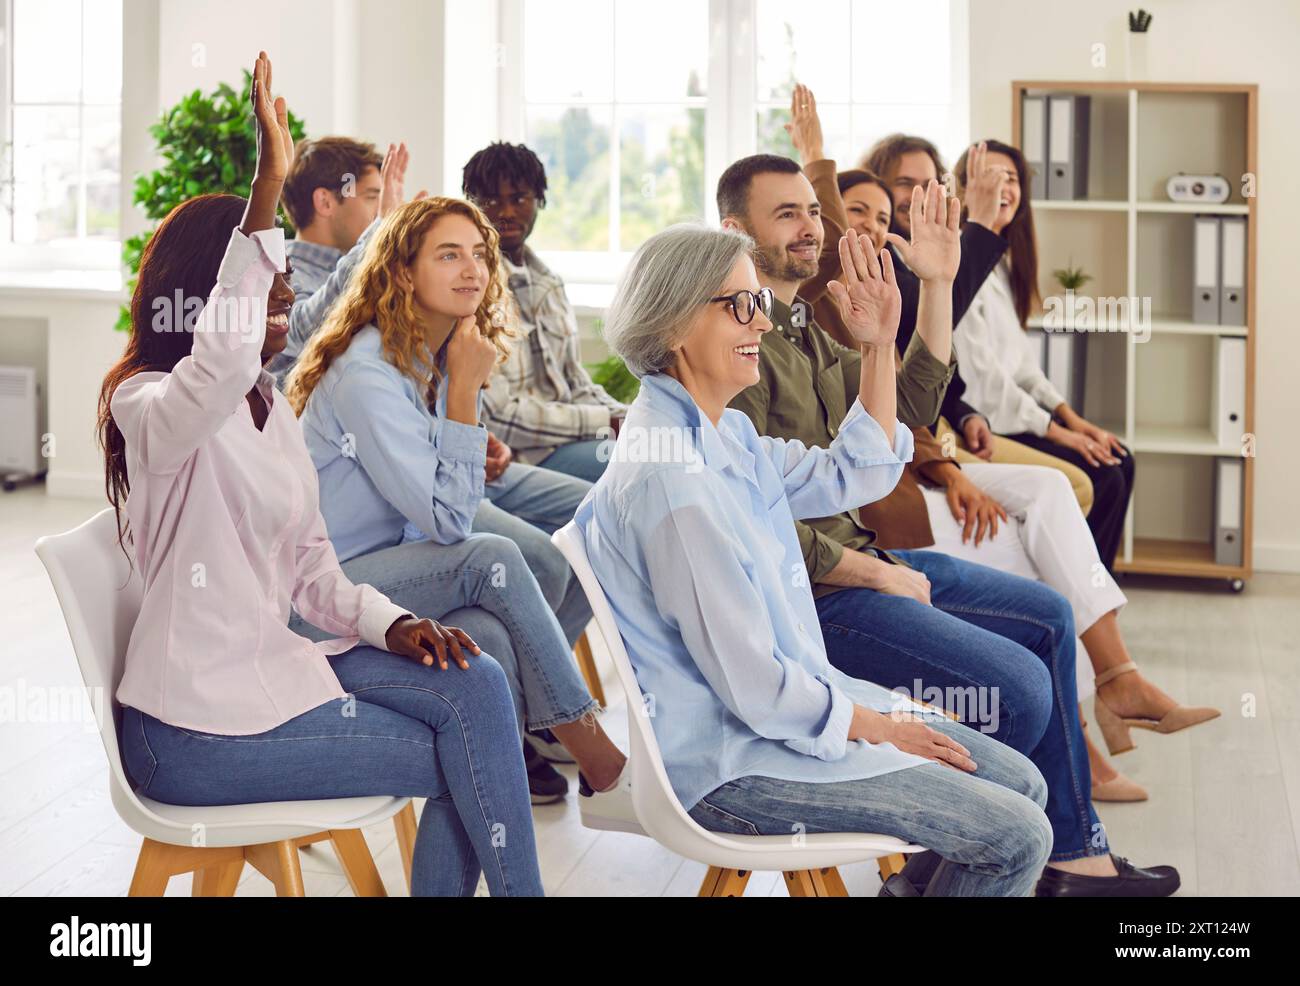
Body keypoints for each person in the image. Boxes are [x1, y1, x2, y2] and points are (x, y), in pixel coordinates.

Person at [96, 53, 542, 896]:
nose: (280, 313)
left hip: (273, 672)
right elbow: (216, 361)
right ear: (204, 298)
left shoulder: (265, 405)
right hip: (190, 730)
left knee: (475, 681)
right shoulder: (151, 405)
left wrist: (395, 623)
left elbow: (311, 570)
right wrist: (271, 179)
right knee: (465, 752)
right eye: (263, 295)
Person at [724, 92, 1179, 895]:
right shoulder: (734, 345)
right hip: (811, 596)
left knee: (1050, 617)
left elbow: (899, 424)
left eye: (810, 210)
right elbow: (741, 521)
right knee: (1021, 689)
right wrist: (867, 571)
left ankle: (1068, 856)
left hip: (863, 556)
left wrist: (933, 288)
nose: (809, 225)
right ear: (735, 232)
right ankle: (964, 850)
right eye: (785, 214)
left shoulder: (801, 327)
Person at [578, 221, 1058, 896]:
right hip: (733, 764)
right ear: (674, 325)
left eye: (761, 305)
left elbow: (854, 474)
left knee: (1024, 783)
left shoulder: (726, 432)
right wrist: (884, 728)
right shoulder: (672, 484)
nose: (764, 325)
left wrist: (879, 346)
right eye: (740, 306)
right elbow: (756, 690)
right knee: (1016, 836)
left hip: (787, 713)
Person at [835, 167, 1220, 800]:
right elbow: (903, 411)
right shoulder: (833, 296)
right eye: (862, 210)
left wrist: (1024, 425)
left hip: (932, 452)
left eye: (885, 215)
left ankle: (1113, 688)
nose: (878, 224)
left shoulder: (905, 279)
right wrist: (952, 463)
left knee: (1056, 501)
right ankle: (1092, 737)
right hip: (898, 488)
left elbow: (932, 389)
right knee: (1041, 576)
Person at [284, 195, 633, 822]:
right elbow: (448, 521)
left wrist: (459, 415)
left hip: (392, 554)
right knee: (495, 556)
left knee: (498, 627)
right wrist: (466, 399)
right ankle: (601, 764)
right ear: (402, 271)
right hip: (325, 592)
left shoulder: (428, 353)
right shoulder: (368, 371)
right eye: (448, 255)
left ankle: (510, 773)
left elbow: (436, 509)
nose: (471, 269)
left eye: (479, 254)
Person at [863, 132, 1094, 513]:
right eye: (903, 184)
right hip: (926, 435)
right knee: (1079, 483)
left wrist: (966, 413)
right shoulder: (882, 256)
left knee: (1098, 475)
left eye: (925, 185)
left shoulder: (976, 256)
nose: (915, 195)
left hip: (954, 420)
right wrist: (982, 222)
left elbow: (998, 364)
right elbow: (936, 316)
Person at [952, 140, 1136, 574]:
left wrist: (1074, 419)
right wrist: (1060, 436)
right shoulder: (962, 262)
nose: (1003, 186)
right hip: (983, 422)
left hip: (1013, 415)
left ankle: (1094, 603)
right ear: (963, 190)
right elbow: (985, 382)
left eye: (1011, 178)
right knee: (1105, 478)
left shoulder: (1000, 264)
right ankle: (1082, 606)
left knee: (1121, 458)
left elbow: (1022, 369)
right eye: (989, 175)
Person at [462, 141, 627, 484]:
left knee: (669, 447)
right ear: (471, 205)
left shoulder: (548, 283)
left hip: (572, 439)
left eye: (519, 198)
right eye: (491, 200)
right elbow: (500, 417)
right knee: (645, 464)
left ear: (539, 201)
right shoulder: (470, 292)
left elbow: (574, 380)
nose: (506, 212)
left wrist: (628, 417)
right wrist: (603, 422)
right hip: (521, 454)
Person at [267, 136, 422, 384]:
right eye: (373, 197)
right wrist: (381, 232)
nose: (382, 209)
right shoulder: (278, 270)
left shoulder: (360, 265)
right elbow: (300, 333)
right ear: (325, 202)